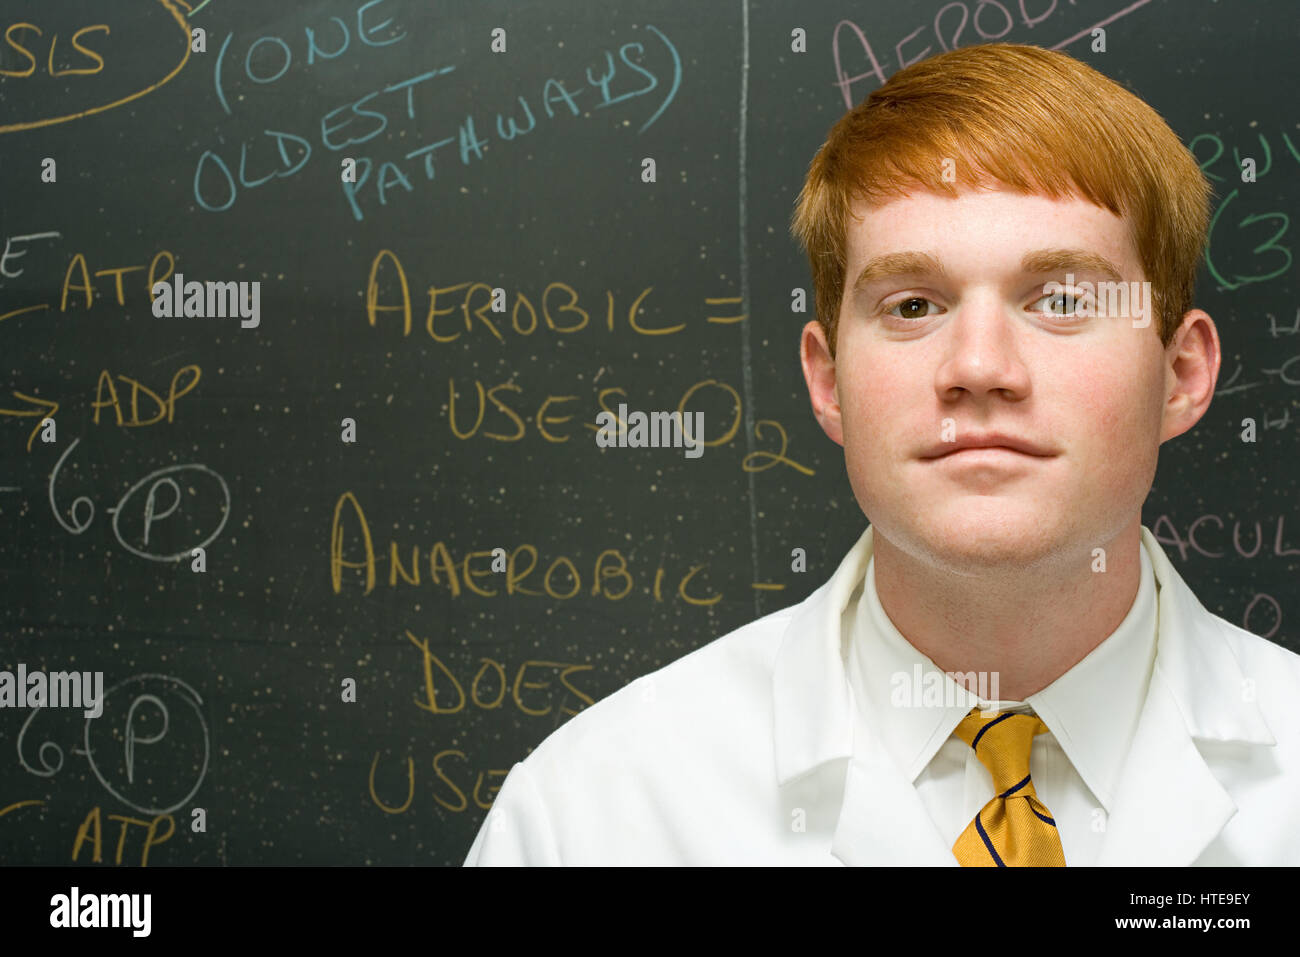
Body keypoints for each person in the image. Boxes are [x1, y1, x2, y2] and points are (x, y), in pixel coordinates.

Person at [463, 42, 1300, 866]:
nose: (979, 368)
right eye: (911, 305)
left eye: (1064, 298)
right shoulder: (593, 815)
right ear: (829, 383)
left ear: (1181, 375)